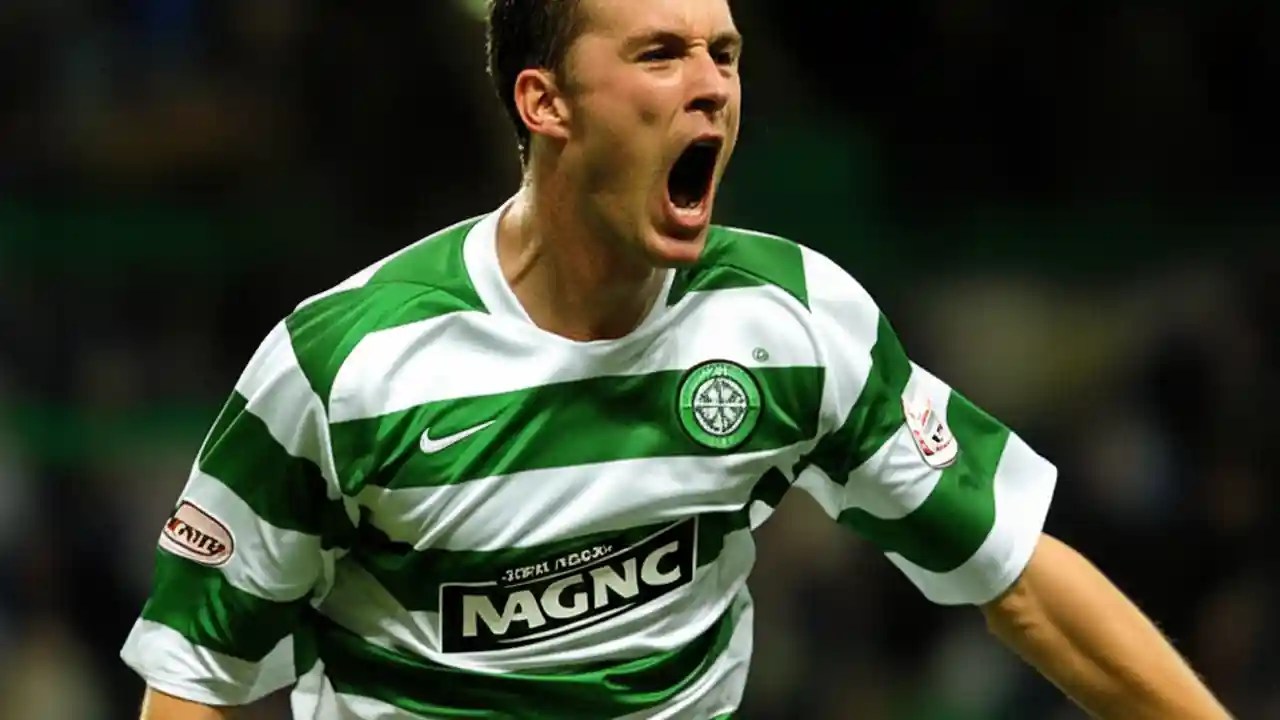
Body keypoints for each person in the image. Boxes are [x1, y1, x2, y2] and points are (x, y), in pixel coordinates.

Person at [122, 1, 1231, 718]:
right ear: (544, 102)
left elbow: (1019, 579)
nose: (712, 83)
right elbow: (194, 681)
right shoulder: (341, 365)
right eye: (660, 53)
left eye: (725, 54)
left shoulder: (790, 320)